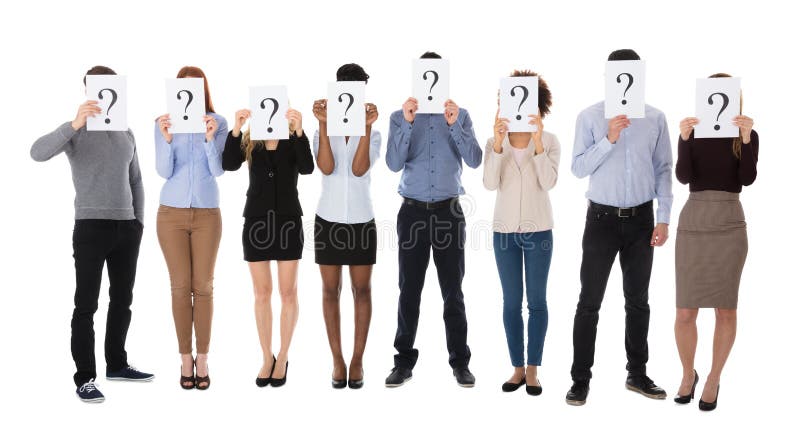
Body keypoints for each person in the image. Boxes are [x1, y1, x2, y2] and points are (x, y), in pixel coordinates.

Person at [30, 65, 154, 403]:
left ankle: (117, 364)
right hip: (90, 227)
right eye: (98, 88)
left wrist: (138, 222)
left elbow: (137, 180)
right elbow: (37, 153)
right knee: (86, 304)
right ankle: (85, 377)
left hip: (127, 228)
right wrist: (73, 124)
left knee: (123, 300)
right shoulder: (76, 131)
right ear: (88, 90)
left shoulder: (127, 131)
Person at [566, 49, 673, 406]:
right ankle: (580, 379)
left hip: (642, 220)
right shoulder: (590, 116)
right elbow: (578, 168)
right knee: (589, 302)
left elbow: (663, 169)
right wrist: (608, 139)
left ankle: (637, 374)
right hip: (601, 220)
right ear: (608, 78)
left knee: (638, 301)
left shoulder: (656, 118)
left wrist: (663, 217)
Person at [385, 51, 482, 388]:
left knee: (452, 291)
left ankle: (460, 362)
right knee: (408, 290)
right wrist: (408, 123)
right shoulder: (400, 116)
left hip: (449, 213)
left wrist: (455, 125)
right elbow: (394, 163)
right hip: (411, 212)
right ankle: (403, 361)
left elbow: (474, 159)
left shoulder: (460, 114)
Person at [673, 73, 757, 412]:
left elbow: (746, 179)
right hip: (694, 221)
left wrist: (748, 139)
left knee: (726, 309)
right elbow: (683, 176)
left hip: (729, 224)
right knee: (684, 311)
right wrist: (683, 139)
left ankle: (713, 378)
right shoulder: (693, 132)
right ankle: (686, 373)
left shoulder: (744, 135)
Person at [222, 103, 313, 388]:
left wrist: (299, 131)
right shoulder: (251, 140)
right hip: (257, 222)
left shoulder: (291, 139)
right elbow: (228, 164)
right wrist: (236, 128)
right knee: (262, 294)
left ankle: (283, 356)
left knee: (288, 293)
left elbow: (308, 168)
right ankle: (266, 356)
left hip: (287, 221)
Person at [483, 70, 560, 396]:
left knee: (537, 302)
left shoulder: (550, 140)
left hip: (538, 230)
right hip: (504, 233)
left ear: (538, 105)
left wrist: (538, 142)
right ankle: (516, 367)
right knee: (511, 302)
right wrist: (498, 145)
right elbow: (488, 184)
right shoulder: (493, 141)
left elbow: (549, 182)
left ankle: (533, 369)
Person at [154, 66, 227, 390]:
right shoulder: (163, 122)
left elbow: (219, 170)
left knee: (205, 286)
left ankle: (203, 357)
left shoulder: (218, 122)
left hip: (207, 214)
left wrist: (210, 139)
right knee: (181, 286)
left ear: (203, 90)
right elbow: (162, 170)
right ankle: (185, 357)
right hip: (171, 213)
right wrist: (167, 140)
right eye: (182, 88)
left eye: (194, 87)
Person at [311, 63, 380, 389]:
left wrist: (365, 128)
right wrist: (324, 125)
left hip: (361, 220)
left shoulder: (374, 131)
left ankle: (357, 360)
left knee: (362, 290)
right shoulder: (323, 128)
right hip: (329, 219)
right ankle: (337, 360)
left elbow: (358, 168)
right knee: (329, 291)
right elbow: (326, 168)